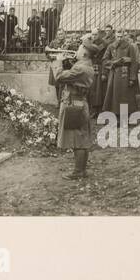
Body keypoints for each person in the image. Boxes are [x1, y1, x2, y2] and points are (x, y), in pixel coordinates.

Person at [48, 47, 97, 180]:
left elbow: (59, 77)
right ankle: (81, 170)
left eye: (80, 48)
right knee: (81, 137)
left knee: (78, 139)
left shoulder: (81, 68)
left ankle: (78, 171)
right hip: (79, 103)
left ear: (85, 53)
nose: (77, 50)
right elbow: (72, 76)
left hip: (74, 104)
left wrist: (58, 62)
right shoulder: (84, 65)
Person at [100, 28, 140, 116]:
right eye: (118, 36)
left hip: (126, 74)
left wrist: (132, 78)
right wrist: (113, 62)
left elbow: (134, 63)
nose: (119, 38)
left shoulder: (130, 46)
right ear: (115, 36)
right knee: (114, 95)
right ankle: (115, 114)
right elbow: (104, 60)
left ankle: (125, 115)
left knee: (125, 96)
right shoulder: (111, 46)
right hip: (114, 74)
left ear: (124, 36)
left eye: (121, 36)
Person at [86, 25, 113, 111]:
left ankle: (98, 109)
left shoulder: (103, 43)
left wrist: (104, 72)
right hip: (91, 66)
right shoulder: (91, 42)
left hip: (100, 67)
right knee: (91, 88)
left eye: (96, 34)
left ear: (99, 34)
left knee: (99, 90)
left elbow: (96, 50)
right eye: (93, 34)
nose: (94, 36)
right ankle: (92, 109)